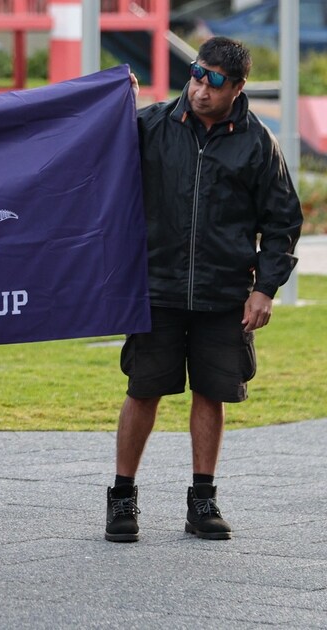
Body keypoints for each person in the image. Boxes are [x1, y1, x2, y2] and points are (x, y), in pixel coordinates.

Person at [106, 37, 302, 543]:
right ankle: (122, 498)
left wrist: (266, 289)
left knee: (211, 394)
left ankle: (202, 501)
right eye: (196, 74)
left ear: (237, 87)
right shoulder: (150, 126)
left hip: (223, 294)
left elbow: (282, 220)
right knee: (142, 390)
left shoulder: (258, 143)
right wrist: (111, 101)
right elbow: (96, 150)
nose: (200, 88)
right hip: (157, 287)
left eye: (214, 80)